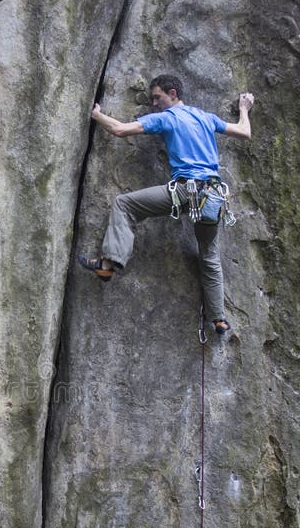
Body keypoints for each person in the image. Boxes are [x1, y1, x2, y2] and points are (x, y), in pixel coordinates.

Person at [79, 74, 254, 334]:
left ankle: (107, 265)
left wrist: (97, 115)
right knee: (209, 255)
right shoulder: (205, 117)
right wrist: (243, 108)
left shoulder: (167, 118)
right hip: (213, 198)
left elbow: (120, 130)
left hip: (185, 191)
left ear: (173, 94)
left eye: (157, 97)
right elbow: (244, 132)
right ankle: (219, 319)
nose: (154, 103)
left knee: (124, 205)